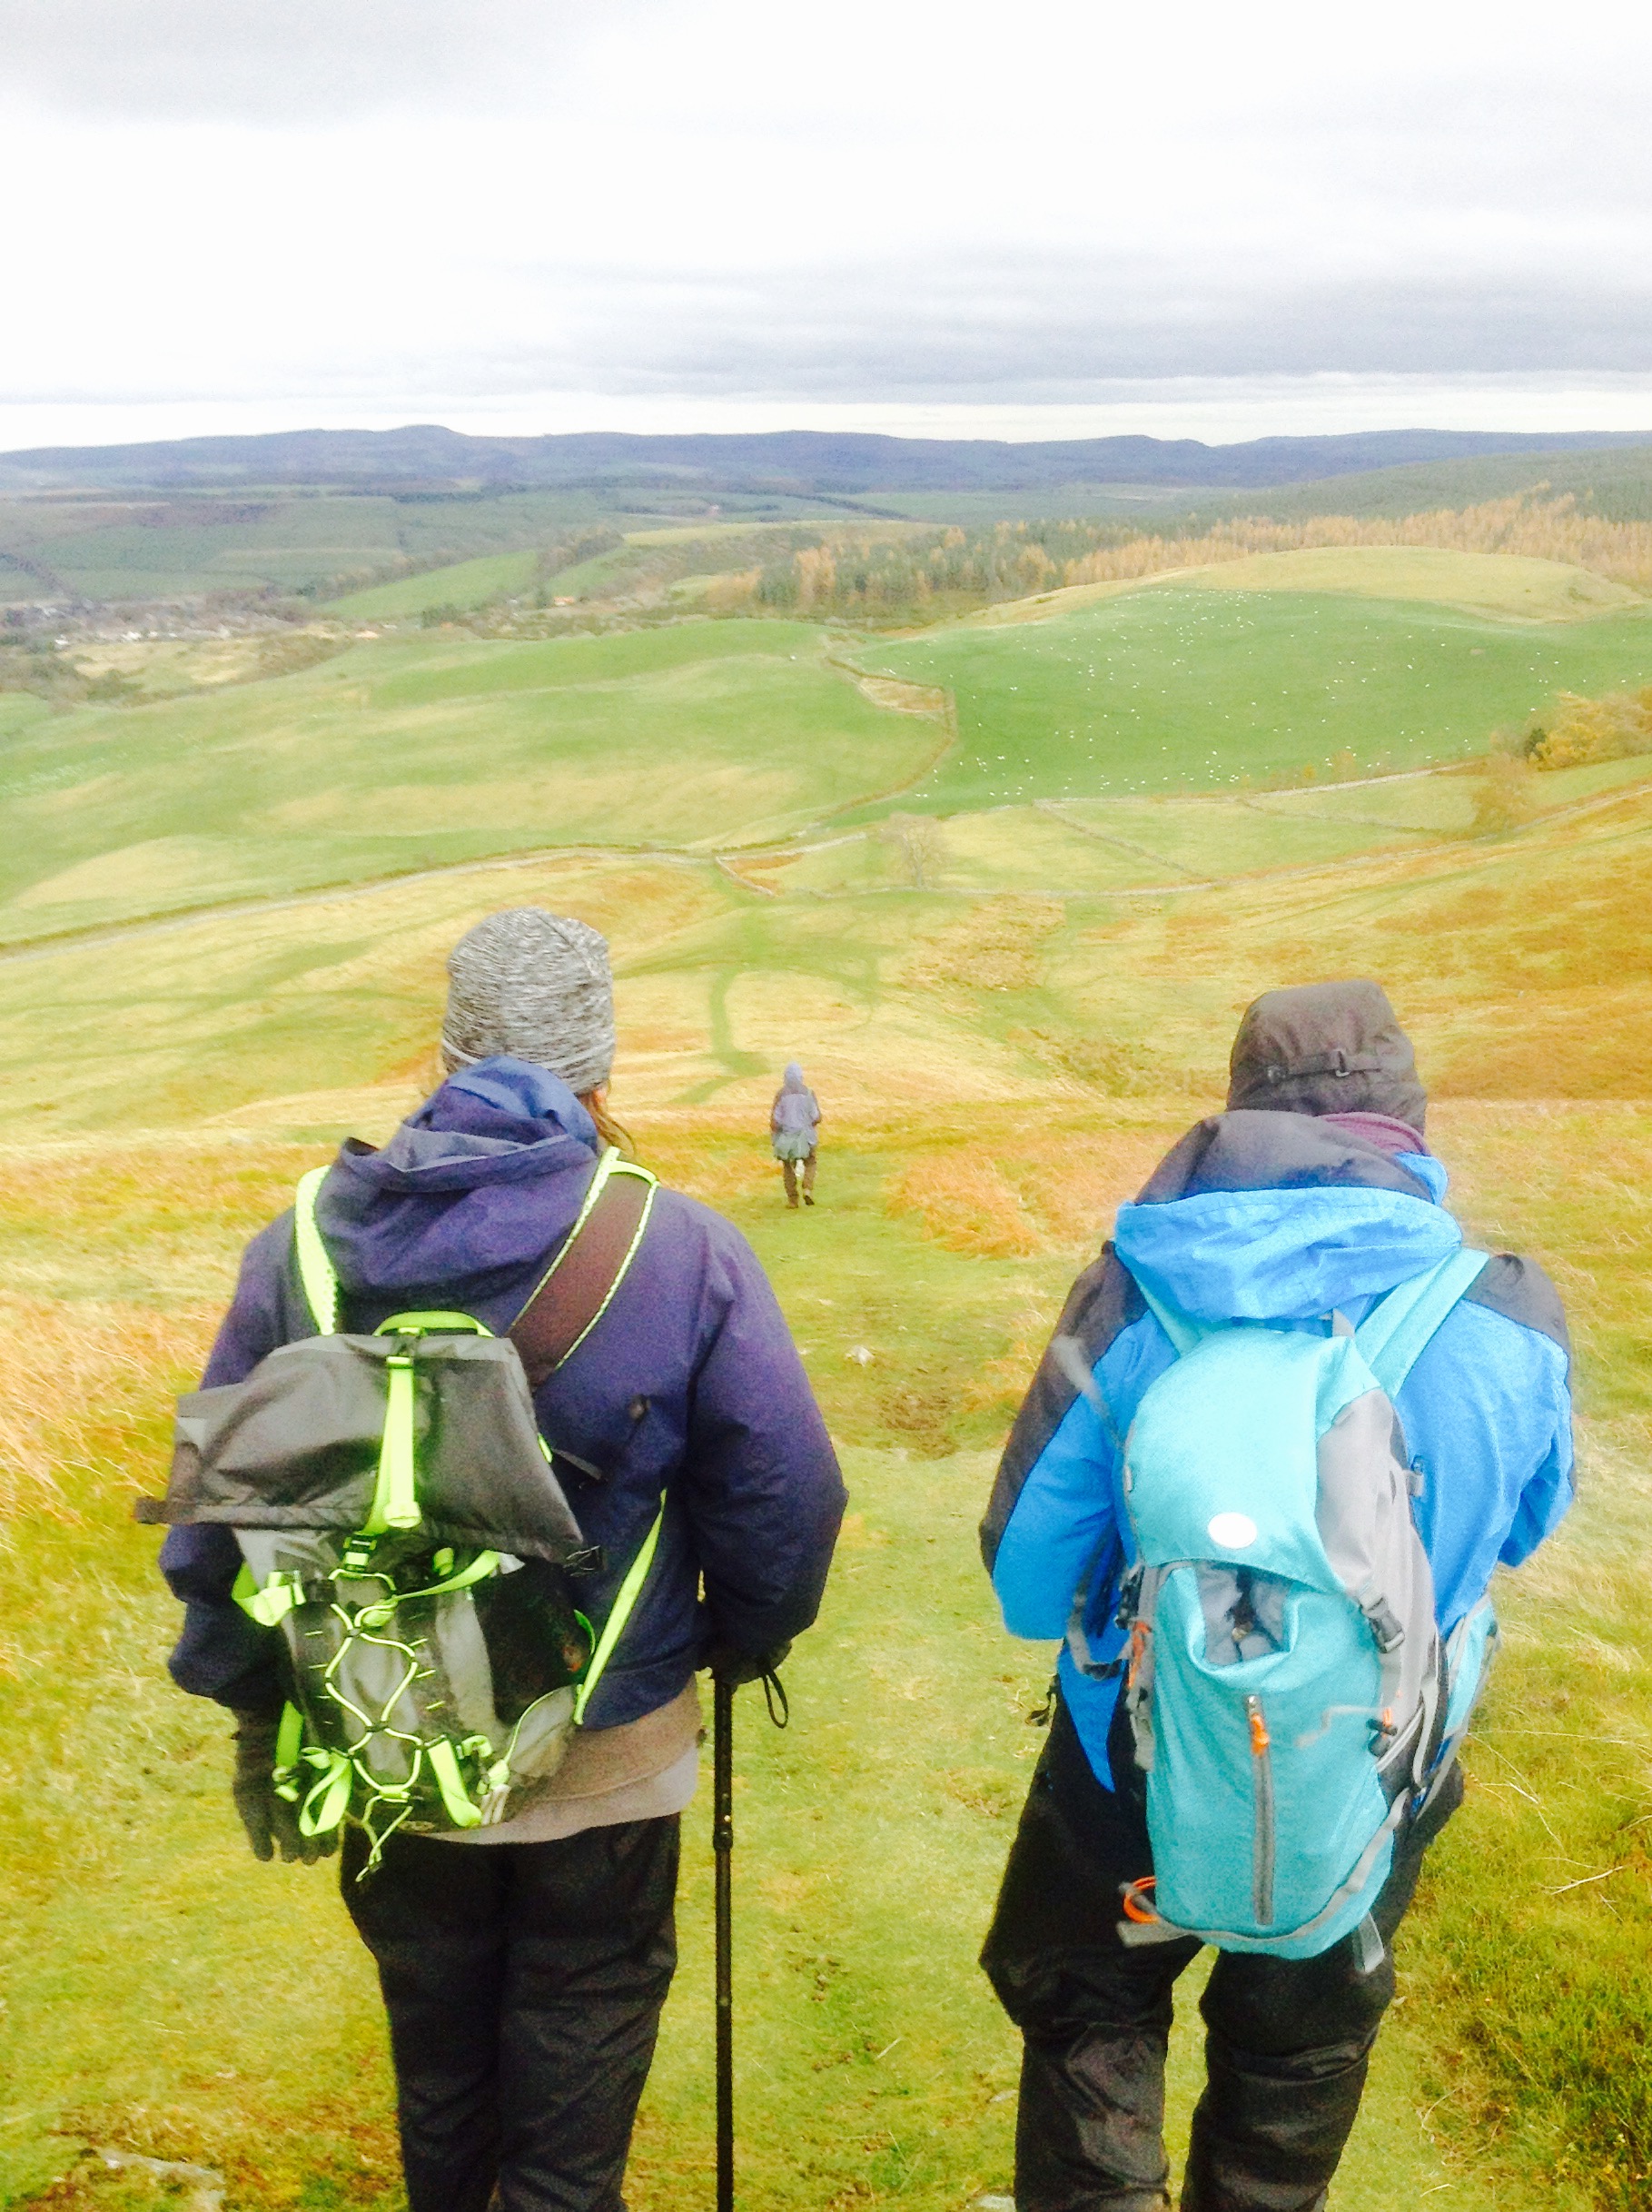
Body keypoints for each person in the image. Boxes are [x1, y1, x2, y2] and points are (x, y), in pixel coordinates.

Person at [158, 906, 846, 2212]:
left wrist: (255, 1691)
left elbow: (220, 1514)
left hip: (384, 1734)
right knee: (573, 2071)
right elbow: (785, 1498)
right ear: (599, 1065)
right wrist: (730, 1637)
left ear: (447, 1050)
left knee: (441, 2064)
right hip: (607, 1744)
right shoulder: (678, 1244)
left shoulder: (300, 1243)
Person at [977, 979, 1574, 2212]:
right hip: (1366, 1777)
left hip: (1122, 1777)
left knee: (1091, 2008)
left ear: (1237, 1108)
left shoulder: (1131, 1292)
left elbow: (1030, 1583)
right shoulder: (1503, 1312)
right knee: (1294, 2051)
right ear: (1407, 1114)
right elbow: (1522, 1527)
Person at [770, 1060, 822, 1208]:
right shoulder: (809, 1093)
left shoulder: (780, 1095)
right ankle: (807, 1188)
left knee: (788, 1167)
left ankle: (793, 1200)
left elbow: (775, 1121)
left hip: (787, 1139)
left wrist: (775, 1138)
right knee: (810, 1162)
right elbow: (816, 1117)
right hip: (806, 1138)